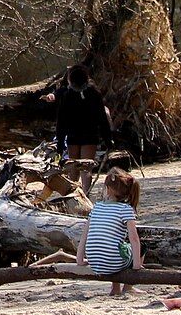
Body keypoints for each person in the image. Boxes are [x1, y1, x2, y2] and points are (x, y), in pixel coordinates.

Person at [82, 168, 145, 296]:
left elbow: (84, 235)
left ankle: (115, 289)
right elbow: (134, 239)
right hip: (113, 262)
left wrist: (79, 260)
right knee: (140, 247)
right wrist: (137, 265)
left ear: (108, 189)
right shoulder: (126, 209)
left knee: (116, 245)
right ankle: (128, 286)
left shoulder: (97, 207)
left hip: (94, 261)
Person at [52, 64, 113, 196]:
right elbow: (102, 118)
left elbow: (61, 122)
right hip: (90, 135)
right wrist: (108, 138)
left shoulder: (67, 95)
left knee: (73, 168)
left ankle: (73, 194)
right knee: (86, 168)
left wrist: (60, 143)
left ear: (70, 80)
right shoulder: (94, 94)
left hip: (73, 136)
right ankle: (85, 194)